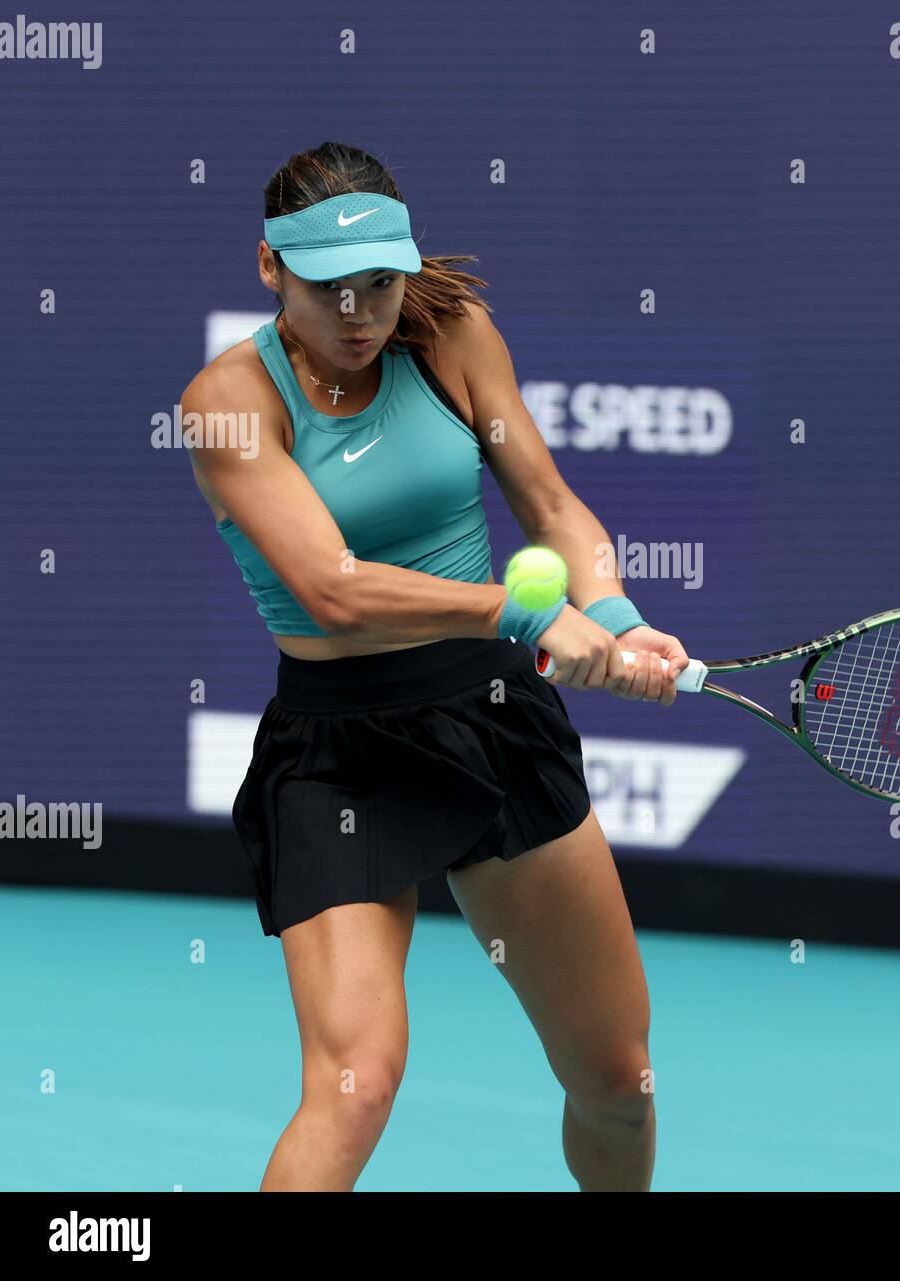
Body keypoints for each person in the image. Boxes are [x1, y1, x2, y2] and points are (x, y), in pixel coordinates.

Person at [183, 140, 689, 1190]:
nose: (360, 311)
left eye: (380, 280)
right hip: (338, 749)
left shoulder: (450, 333)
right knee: (354, 1084)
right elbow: (331, 584)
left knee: (614, 1077)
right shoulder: (228, 401)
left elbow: (549, 503)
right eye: (329, 288)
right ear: (269, 269)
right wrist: (520, 609)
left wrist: (615, 613)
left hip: (490, 716)